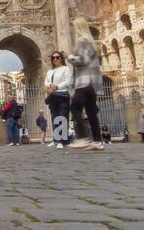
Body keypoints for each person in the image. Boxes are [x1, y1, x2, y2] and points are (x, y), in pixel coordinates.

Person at [66, 17, 104, 151]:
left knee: (74, 108)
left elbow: (82, 60)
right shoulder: (91, 43)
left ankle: (82, 138)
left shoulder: (82, 41)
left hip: (85, 82)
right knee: (91, 113)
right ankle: (97, 141)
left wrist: (69, 57)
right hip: (93, 83)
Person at [44, 50, 72, 147]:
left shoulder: (66, 69)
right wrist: (50, 86)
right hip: (53, 96)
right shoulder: (50, 71)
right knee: (54, 117)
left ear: (61, 59)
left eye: (57, 57)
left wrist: (57, 86)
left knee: (62, 117)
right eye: (53, 58)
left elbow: (68, 82)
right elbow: (46, 82)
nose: (55, 59)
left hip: (63, 94)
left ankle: (61, 141)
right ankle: (56, 139)